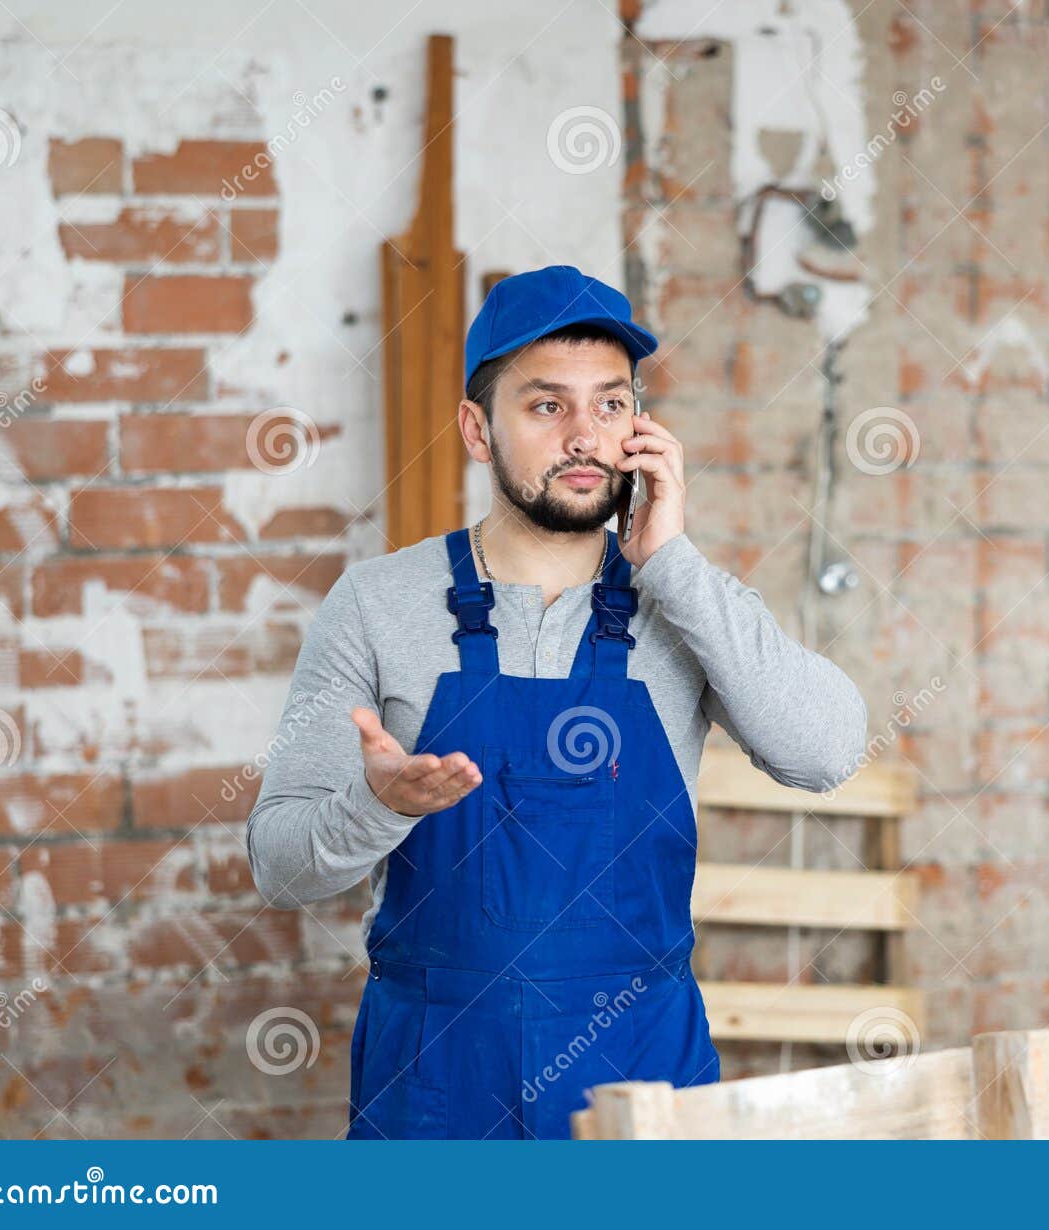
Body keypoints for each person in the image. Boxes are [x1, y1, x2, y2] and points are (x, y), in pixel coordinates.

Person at [246, 263, 869, 1139]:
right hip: (435, 1088)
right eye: (546, 406)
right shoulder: (377, 604)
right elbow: (280, 863)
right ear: (476, 428)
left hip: (642, 1087)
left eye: (610, 405)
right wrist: (374, 809)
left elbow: (828, 752)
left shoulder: (682, 603)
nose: (585, 436)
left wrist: (674, 565)